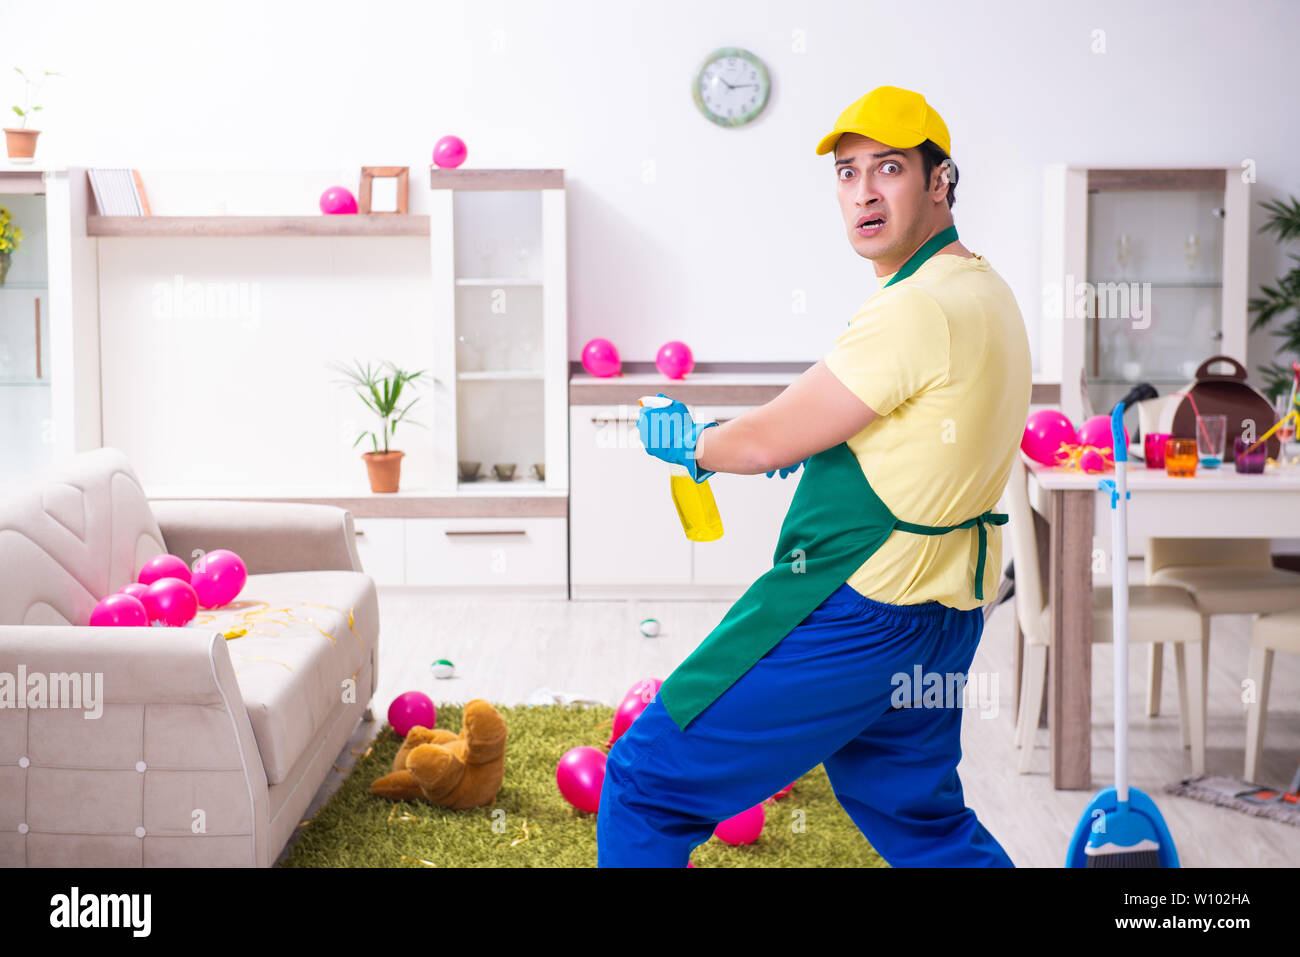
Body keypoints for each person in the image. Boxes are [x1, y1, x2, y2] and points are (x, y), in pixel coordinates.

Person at [596, 86, 1031, 867]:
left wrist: (695, 443)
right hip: (946, 613)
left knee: (642, 782)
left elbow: (763, 440)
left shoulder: (913, 308)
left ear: (940, 182)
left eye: (889, 168)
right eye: (846, 171)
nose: (862, 191)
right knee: (922, 824)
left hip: (861, 609)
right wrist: (811, 444)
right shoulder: (985, 290)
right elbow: (914, 425)